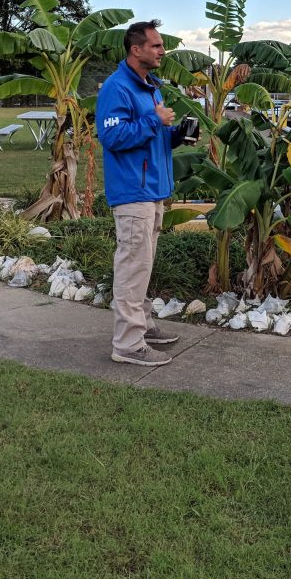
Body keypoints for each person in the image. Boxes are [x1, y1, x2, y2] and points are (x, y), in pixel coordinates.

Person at [96, 20, 191, 367]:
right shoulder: (116, 88)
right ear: (136, 49)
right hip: (132, 191)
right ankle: (127, 344)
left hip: (153, 190)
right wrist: (155, 121)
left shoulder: (151, 87)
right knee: (132, 267)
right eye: (156, 46)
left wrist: (176, 134)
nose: (162, 51)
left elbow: (153, 135)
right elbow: (112, 138)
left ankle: (143, 326)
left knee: (143, 265)